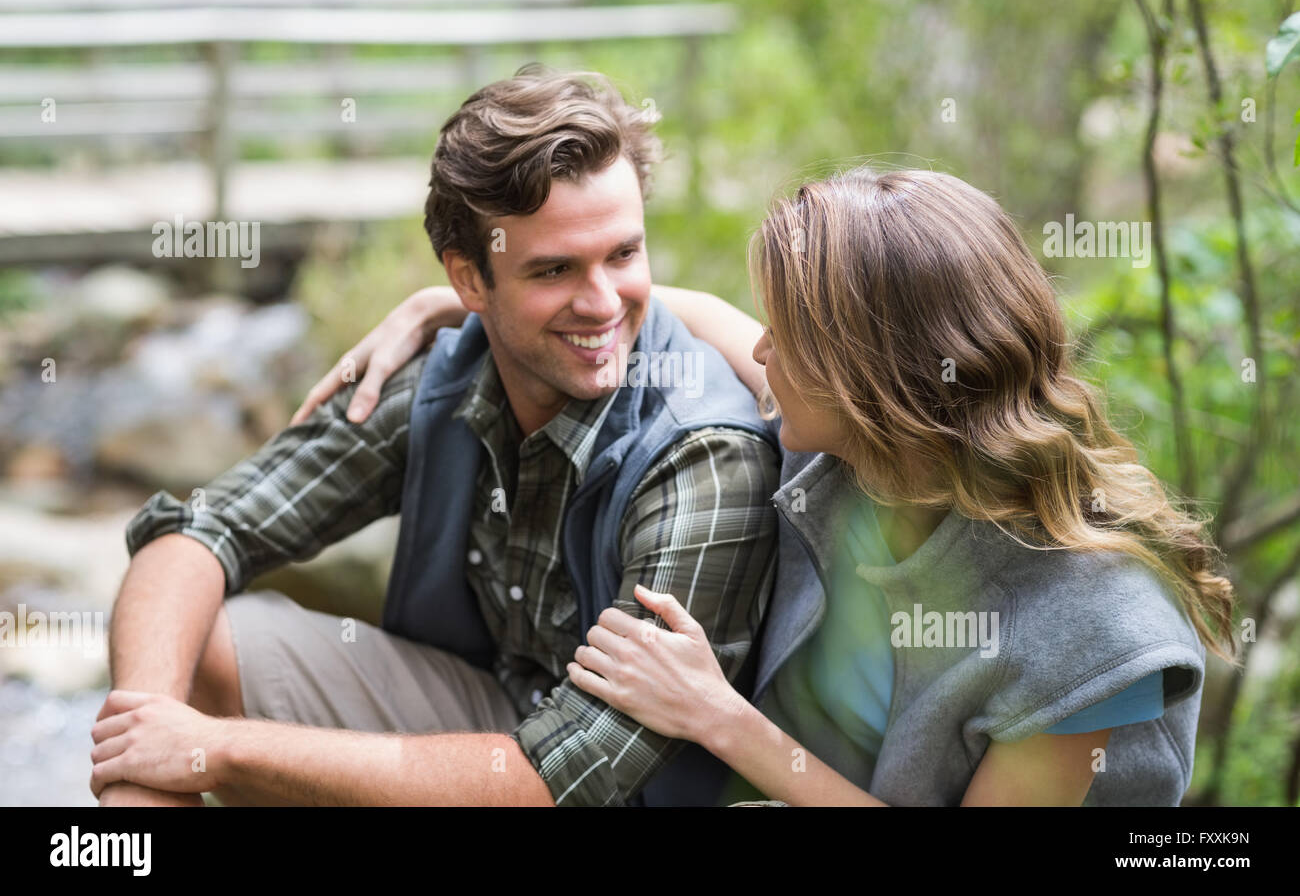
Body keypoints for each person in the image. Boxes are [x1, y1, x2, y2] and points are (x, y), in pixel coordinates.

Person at [307, 165, 1240, 805]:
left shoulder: (1091, 631)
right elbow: (671, 309)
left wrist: (720, 719)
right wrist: (468, 300)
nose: (756, 351)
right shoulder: (857, 452)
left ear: (872, 375)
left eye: (786, 337)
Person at [91, 65, 782, 807]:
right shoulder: (442, 376)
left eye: (623, 254)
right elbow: (202, 529)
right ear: (470, 282)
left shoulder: (703, 455)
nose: (603, 303)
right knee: (206, 642)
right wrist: (144, 751)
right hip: (492, 721)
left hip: (612, 790)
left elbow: (568, 776)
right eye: (555, 269)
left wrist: (212, 751)